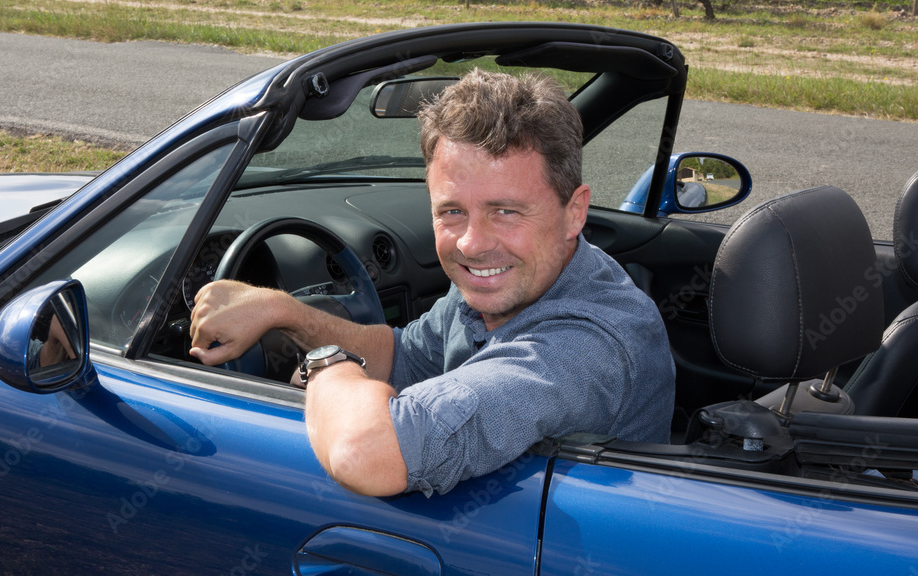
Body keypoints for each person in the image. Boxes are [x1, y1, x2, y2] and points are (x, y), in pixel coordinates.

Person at [189, 69, 675, 498]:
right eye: (451, 211)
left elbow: (364, 452)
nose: (471, 244)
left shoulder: (584, 346)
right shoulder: (506, 284)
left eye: (505, 211)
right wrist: (284, 313)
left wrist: (327, 368)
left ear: (575, 211)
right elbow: (405, 357)